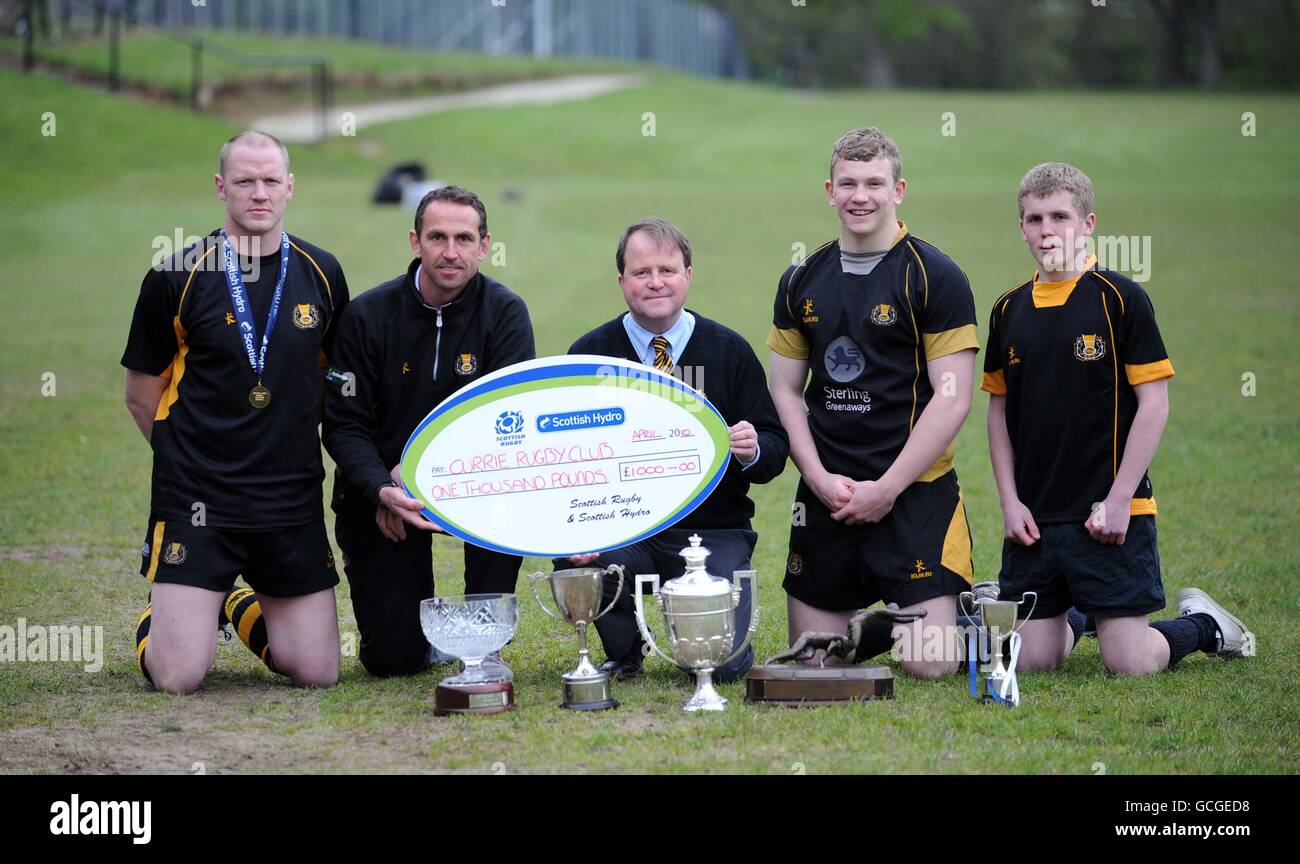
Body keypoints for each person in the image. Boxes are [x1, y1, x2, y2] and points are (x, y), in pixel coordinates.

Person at [981, 162, 1250, 675]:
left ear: (1087, 223)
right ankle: (1083, 610)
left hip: (1109, 514)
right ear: (1021, 226)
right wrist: (1010, 502)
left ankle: (1206, 625)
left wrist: (1121, 499)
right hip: (1036, 519)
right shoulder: (1007, 309)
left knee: (1128, 663)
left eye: (1060, 216)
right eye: (1034, 218)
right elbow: (998, 414)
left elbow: (1155, 404)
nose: (1046, 230)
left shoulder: (1120, 298)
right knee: (1033, 661)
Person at [123, 130, 349, 693]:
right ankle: (170, 620)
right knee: (177, 677)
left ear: (290, 187)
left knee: (317, 673)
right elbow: (140, 391)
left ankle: (233, 600)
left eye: (271, 180)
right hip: (200, 498)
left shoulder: (322, 273)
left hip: (289, 496)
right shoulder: (174, 275)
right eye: (245, 181)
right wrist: (189, 459)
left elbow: (332, 378)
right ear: (221, 186)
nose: (259, 193)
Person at [767, 127, 979, 678]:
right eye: (848, 183)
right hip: (828, 494)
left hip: (913, 491)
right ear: (829, 190)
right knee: (814, 661)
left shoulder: (938, 276)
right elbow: (785, 391)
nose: (861, 195)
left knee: (928, 666)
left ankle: (966, 617)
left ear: (899, 190)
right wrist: (814, 476)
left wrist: (887, 489)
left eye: (874, 183)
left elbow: (952, 400)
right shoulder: (800, 279)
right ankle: (891, 624)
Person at [556, 218, 789, 682]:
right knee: (584, 557)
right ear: (621, 280)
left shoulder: (728, 351)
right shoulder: (590, 356)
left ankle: (702, 635)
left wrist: (751, 449)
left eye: (668, 269)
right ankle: (625, 651)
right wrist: (577, 528)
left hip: (712, 530)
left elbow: (775, 449)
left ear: (688, 274)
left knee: (719, 668)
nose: (655, 282)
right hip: (624, 526)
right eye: (641, 272)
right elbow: (567, 456)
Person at [322, 185, 536, 678]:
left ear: (484, 246)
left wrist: (421, 482)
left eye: (464, 238)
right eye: (437, 237)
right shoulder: (367, 316)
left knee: (506, 498)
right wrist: (380, 489)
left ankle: (484, 640)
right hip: (380, 499)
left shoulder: (505, 313)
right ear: (415, 241)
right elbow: (342, 423)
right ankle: (418, 634)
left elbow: (505, 425)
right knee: (393, 660)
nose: (450, 251)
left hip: (479, 488)